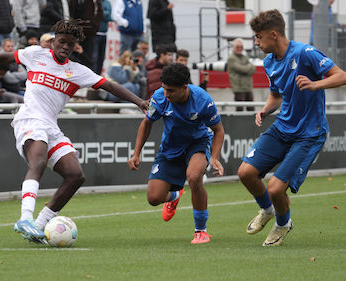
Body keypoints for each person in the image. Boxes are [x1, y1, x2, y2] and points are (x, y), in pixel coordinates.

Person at [0, 19, 148, 243]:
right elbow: (8, 56)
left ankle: (38, 225)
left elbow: (109, 85)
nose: (65, 47)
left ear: (74, 47)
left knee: (75, 175)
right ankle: (25, 218)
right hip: (30, 119)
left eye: (70, 44)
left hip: (51, 126)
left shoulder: (77, 71)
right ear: (53, 41)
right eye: (62, 42)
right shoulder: (36, 54)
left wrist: (139, 101)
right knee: (39, 162)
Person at [238, 9, 346, 247]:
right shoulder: (269, 62)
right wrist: (266, 109)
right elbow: (276, 94)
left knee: (276, 189)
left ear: (273, 34)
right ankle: (267, 210)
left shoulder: (305, 53)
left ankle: (283, 224)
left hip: (309, 133)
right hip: (282, 128)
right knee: (245, 173)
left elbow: (341, 76)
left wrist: (315, 83)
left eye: (259, 37)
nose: (256, 42)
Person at [128, 63, 224, 244]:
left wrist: (215, 157)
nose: (166, 94)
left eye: (171, 91)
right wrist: (136, 154)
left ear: (184, 88)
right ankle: (175, 195)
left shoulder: (202, 100)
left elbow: (218, 130)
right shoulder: (160, 97)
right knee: (154, 199)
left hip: (197, 143)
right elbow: (147, 123)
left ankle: (201, 231)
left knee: (194, 177)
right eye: (164, 89)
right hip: (170, 148)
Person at [69, 0, 103, 70]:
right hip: (74, 34)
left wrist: (93, 27)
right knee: (73, 57)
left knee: (89, 58)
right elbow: (71, 15)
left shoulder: (94, 1)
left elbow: (99, 14)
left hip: (89, 34)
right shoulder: (73, 1)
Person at [227, 38, 256, 111]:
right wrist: (248, 68)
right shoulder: (231, 58)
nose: (240, 48)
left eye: (241, 47)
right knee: (240, 109)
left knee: (251, 109)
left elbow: (253, 69)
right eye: (237, 47)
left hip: (248, 87)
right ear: (233, 47)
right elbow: (243, 69)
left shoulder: (244, 57)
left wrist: (247, 68)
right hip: (238, 88)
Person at [93, 0, 112, 75]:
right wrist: (105, 13)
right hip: (95, 34)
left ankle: (98, 77)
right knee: (94, 58)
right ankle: (92, 78)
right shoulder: (94, 2)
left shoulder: (107, 3)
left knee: (101, 58)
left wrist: (102, 13)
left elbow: (109, 17)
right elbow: (95, 15)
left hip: (104, 34)